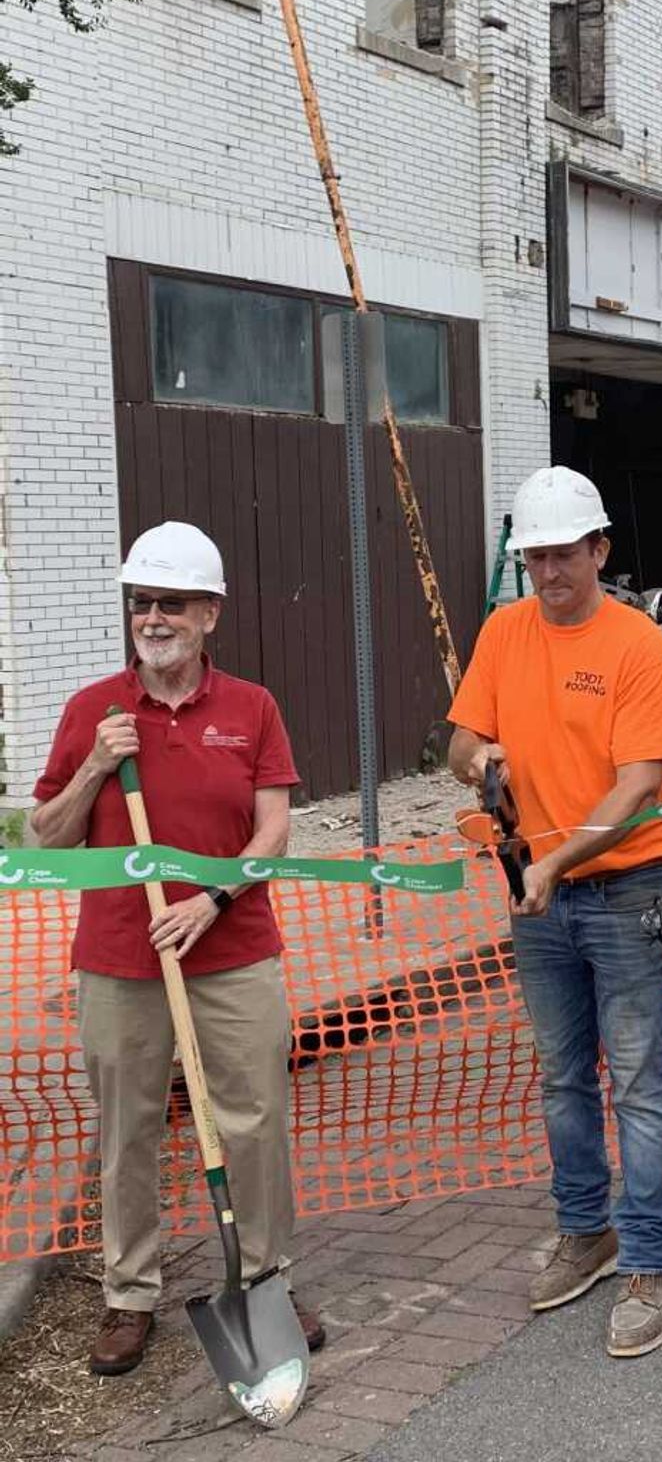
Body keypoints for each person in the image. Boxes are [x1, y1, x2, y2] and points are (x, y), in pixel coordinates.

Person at [31, 522, 323, 1375]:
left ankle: (266, 1280)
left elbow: (274, 826)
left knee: (258, 1124)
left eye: (171, 603)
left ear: (210, 614)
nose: (152, 618)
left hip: (233, 953)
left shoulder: (252, 708)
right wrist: (93, 767)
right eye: (142, 602)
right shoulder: (93, 710)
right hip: (120, 958)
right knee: (127, 1132)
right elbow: (47, 839)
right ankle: (129, 1296)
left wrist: (213, 898)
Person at [447, 466, 662, 1358]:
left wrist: (554, 859)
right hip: (537, 895)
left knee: (639, 1084)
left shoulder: (637, 647)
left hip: (626, 891)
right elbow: (460, 742)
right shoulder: (504, 634)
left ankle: (648, 1263)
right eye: (537, 557)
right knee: (561, 1078)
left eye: (566, 555)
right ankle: (586, 1230)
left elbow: (637, 786)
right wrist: (484, 764)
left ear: (601, 550)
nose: (551, 573)